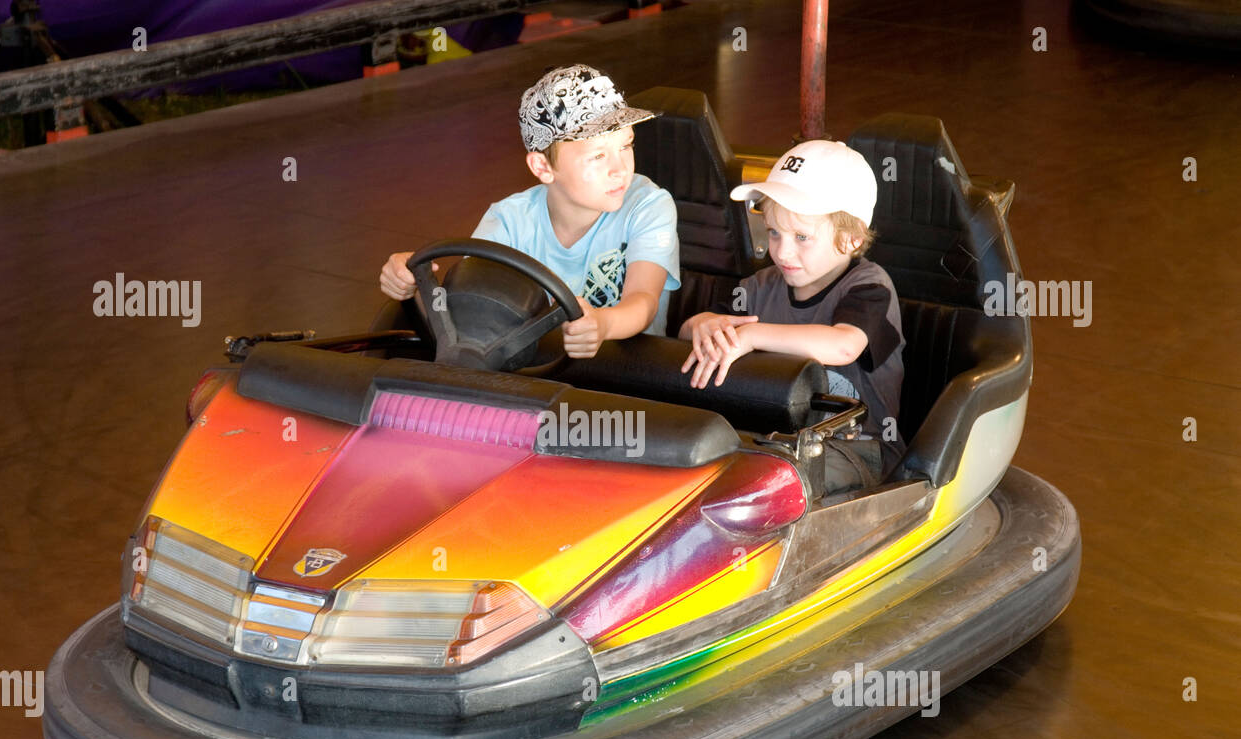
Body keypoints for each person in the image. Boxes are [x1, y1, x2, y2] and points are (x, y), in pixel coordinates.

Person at [379, 64, 681, 357]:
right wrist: (413, 283)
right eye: (598, 155)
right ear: (543, 167)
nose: (620, 169)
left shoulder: (647, 205)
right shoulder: (509, 221)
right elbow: (467, 315)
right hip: (535, 374)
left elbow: (643, 301)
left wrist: (603, 324)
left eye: (625, 146)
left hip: (632, 376)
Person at [679, 140, 904, 491]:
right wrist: (703, 326)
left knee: (772, 482)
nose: (782, 251)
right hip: (770, 444)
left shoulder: (869, 288)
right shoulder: (759, 287)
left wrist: (750, 336)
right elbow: (692, 329)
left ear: (850, 240)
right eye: (774, 232)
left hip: (856, 452)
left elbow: (845, 345)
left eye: (802, 237)